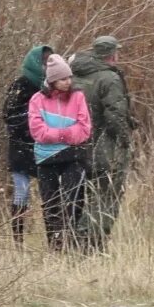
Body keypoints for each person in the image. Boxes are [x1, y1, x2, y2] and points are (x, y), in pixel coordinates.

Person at [70, 35, 135, 252]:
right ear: (112, 55)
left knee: (82, 196)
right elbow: (116, 116)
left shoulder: (75, 76)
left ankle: (75, 241)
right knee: (106, 197)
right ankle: (92, 245)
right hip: (104, 147)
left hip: (75, 146)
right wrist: (126, 141)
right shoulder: (109, 79)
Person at [27, 54, 92, 252]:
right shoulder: (37, 100)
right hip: (46, 157)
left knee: (74, 201)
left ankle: (72, 244)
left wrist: (57, 134)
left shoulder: (78, 97)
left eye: (69, 78)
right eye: (63, 79)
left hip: (73, 156)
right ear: (53, 80)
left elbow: (84, 130)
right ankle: (55, 246)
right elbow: (38, 132)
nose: (68, 82)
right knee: (50, 204)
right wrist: (67, 133)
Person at [1, 44, 54, 247]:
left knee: (48, 195)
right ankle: (18, 241)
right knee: (21, 193)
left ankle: (53, 240)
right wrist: (34, 123)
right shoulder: (20, 85)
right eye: (44, 62)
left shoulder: (53, 87)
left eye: (50, 62)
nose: (46, 66)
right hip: (21, 150)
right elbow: (9, 117)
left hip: (45, 148)